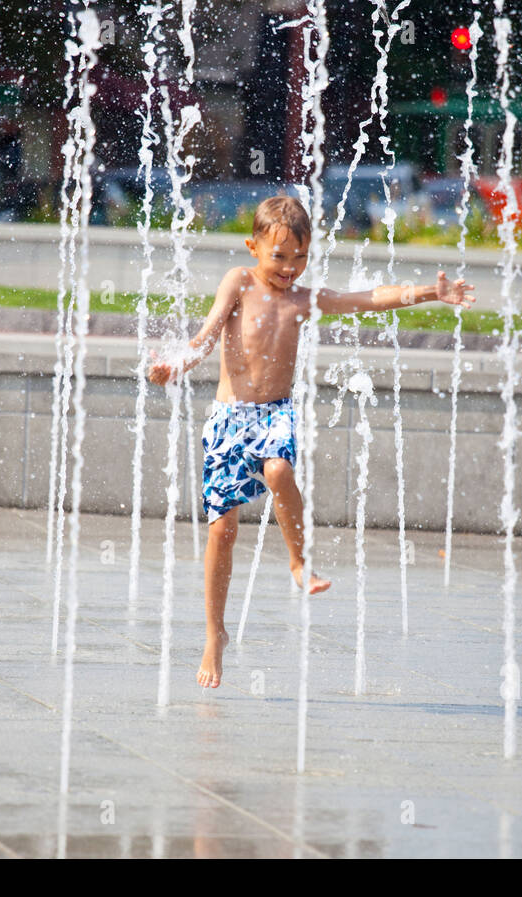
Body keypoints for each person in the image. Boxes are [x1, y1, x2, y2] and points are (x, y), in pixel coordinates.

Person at [147, 195, 474, 689]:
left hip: (275, 413)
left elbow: (366, 299)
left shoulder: (303, 300)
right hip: (229, 417)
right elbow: (206, 336)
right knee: (223, 531)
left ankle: (299, 563)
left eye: (300, 258)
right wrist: (174, 367)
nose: (289, 268)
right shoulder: (238, 281)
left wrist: (431, 293)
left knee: (278, 470)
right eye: (279, 257)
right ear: (253, 246)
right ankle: (215, 634)